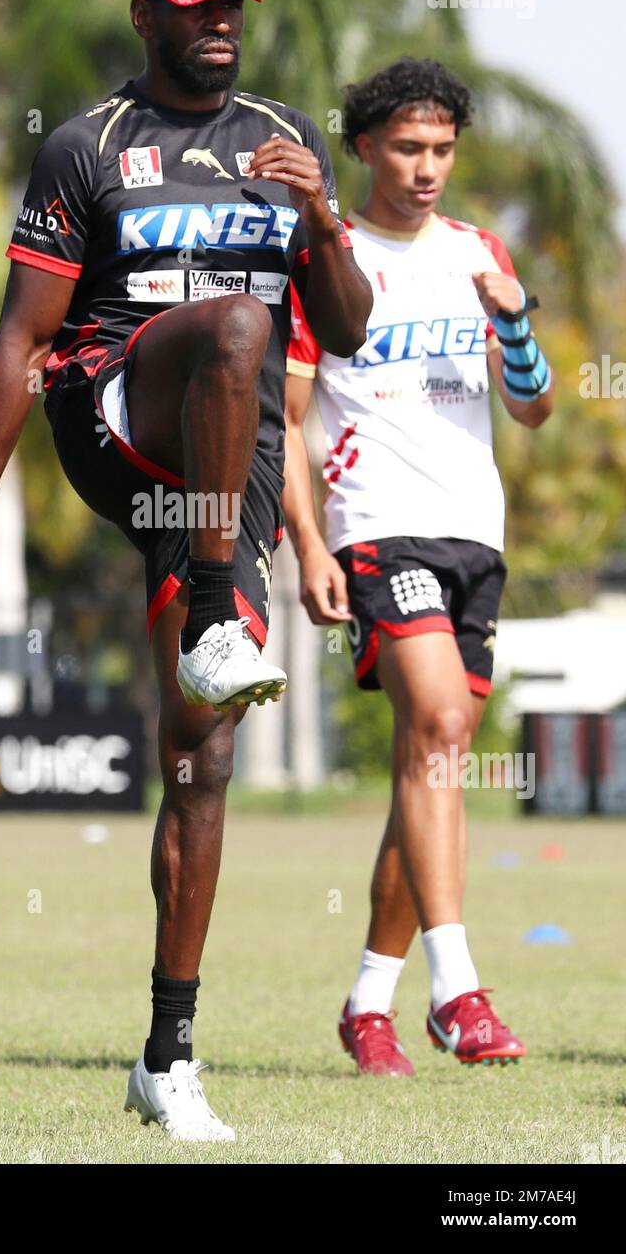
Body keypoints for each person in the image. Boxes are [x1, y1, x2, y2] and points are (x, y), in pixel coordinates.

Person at [0, 0, 370, 1137]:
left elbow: (339, 333)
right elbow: (21, 340)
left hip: (231, 464)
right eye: (195, 6)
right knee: (235, 329)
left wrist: (325, 218)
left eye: (233, 4)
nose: (220, 22)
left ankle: (166, 1054)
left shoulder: (282, 141)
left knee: (201, 756)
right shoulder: (89, 148)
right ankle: (224, 614)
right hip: (113, 413)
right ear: (146, 17)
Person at [283, 57, 553, 1075]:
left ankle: (366, 1003)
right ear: (362, 147)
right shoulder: (331, 256)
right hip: (375, 527)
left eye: (441, 148)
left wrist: (514, 319)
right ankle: (459, 990)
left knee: (427, 769)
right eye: (406, 147)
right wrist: (306, 542)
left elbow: (530, 406)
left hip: (472, 533)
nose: (427, 166)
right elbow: (287, 418)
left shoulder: (476, 251)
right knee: (438, 728)